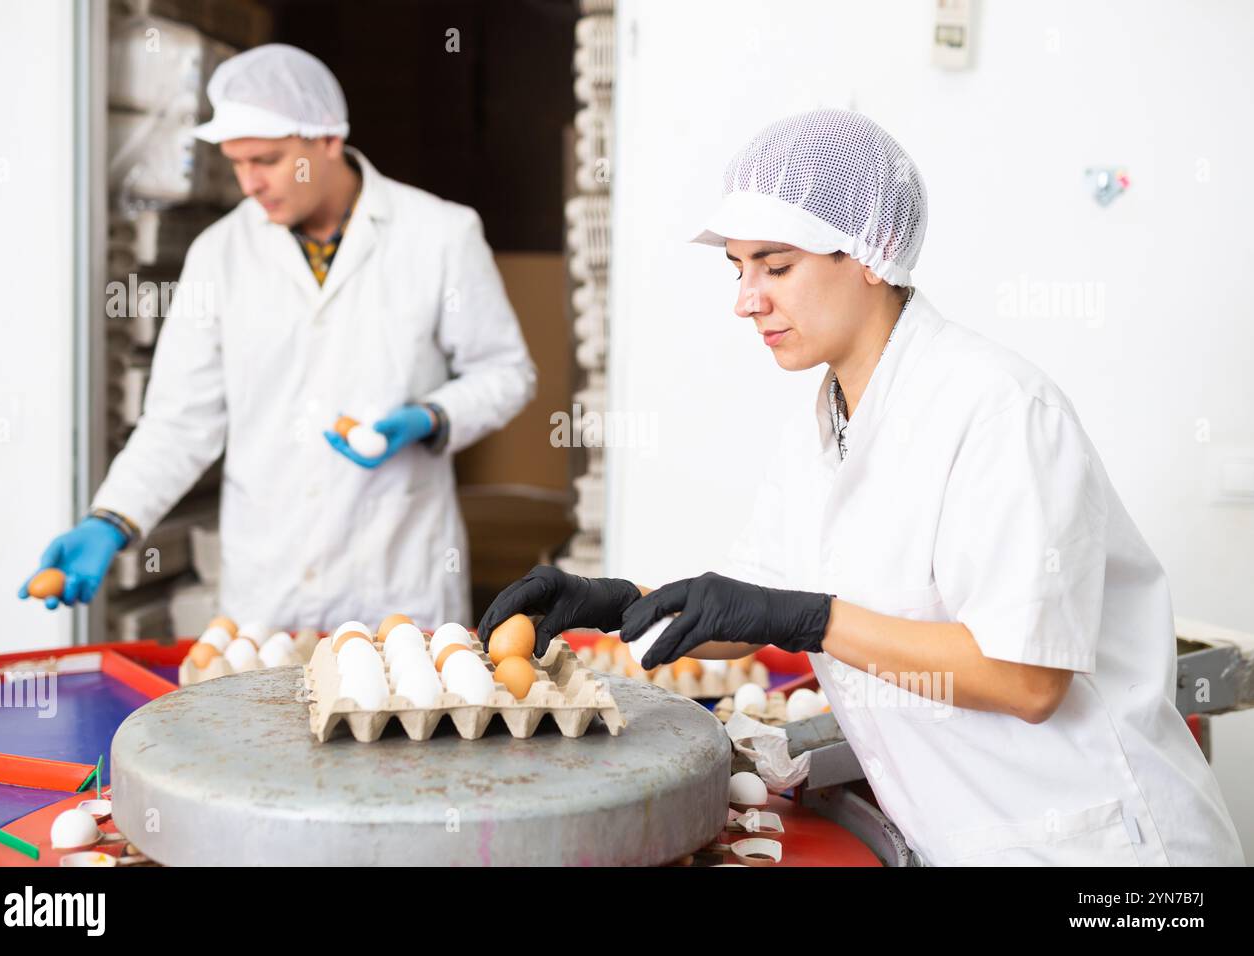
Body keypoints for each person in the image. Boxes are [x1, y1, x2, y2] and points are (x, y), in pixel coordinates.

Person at [479, 109, 1244, 866]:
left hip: (1106, 853)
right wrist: (615, 605)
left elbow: (1026, 678)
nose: (746, 299)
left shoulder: (998, 409)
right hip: (973, 841)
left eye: (775, 266)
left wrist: (811, 618)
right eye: (738, 269)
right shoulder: (827, 422)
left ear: (872, 254)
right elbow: (754, 600)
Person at [19, 44, 536, 629]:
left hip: (397, 576)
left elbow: (506, 373)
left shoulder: (439, 234)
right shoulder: (219, 253)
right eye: (236, 163)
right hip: (269, 585)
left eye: (266, 159)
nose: (249, 184)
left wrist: (429, 417)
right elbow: (180, 419)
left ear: (329, 140)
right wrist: (110, 520)